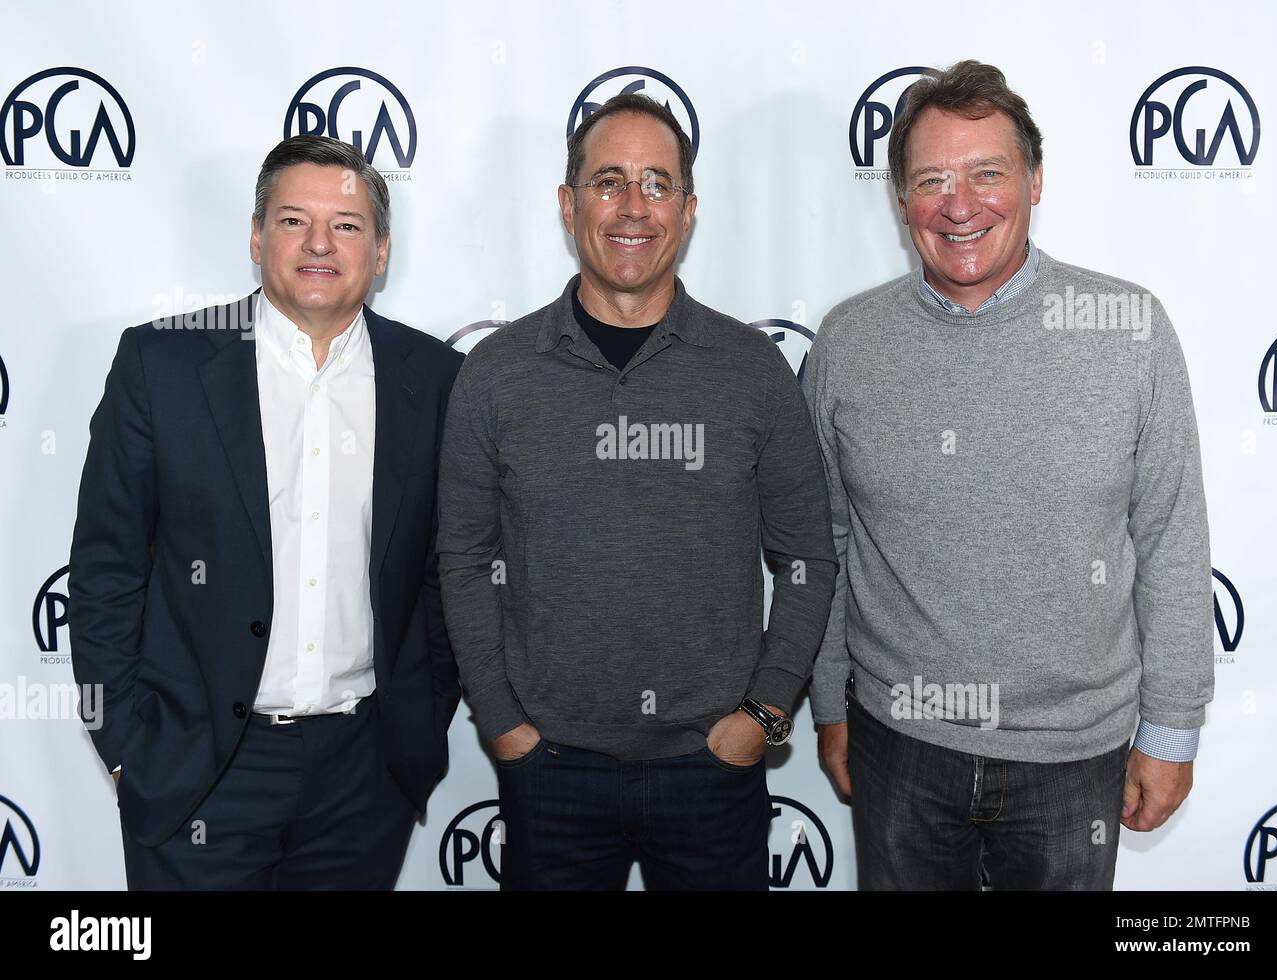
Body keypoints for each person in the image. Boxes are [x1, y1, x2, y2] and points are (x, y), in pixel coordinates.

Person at [805, 61, 1212, 890]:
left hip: (1074, 758)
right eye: (933, 180)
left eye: (987, 173)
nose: (961, 204)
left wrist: (1170, 732)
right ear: (900, 201)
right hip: (899, 744)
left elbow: (1170, 537)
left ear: (1034, 181)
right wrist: (829, 706)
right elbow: (828, 542)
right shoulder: (848, 343)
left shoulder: (1129, 330)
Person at [436, 93, 836, 890]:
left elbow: (807, 559)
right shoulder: (497, 374)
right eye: (608, 181)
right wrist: (504, 726)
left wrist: (760, 718)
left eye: (657, 185)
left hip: (713, 770)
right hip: (548, 770)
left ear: (687, 212)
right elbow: (463, 561)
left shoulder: (751, 369)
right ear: (567, 203)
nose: (632, 207)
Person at [69, 135, 463, 889]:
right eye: (292, 221)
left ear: (381, 252)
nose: (320, 243)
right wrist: (126, 747)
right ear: (256, 237)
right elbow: (104, 569)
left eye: (347, 225)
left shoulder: (437, 379)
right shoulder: (164, 365)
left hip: (363, 774)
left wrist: (417, 721)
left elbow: (448, 573)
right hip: (197, 767)